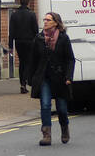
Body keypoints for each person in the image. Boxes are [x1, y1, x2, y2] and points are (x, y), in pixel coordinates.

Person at [29, 12, 76, 146]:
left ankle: (64, 128)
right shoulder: (38, 38)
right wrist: (30, 78)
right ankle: (46, 134)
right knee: (45, 105)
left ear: (56, 22)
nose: (45, 22)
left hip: (60, 78)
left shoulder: (63, 38)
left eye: (48, 20)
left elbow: (70, 60)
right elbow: (33, 60)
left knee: (61, 108)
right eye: (44, 20)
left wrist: (68, 76)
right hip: (44, 77)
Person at [10, 0, 39, 94]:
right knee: (28, 62)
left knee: (22, 61)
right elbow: (35, 29)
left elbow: (11, 31)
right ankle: (25, 82)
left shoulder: (14, 15)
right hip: (30, 41)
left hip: (18, 41)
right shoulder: (32, 14)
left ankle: (22, 82)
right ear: (28, 3)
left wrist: (10, 45)